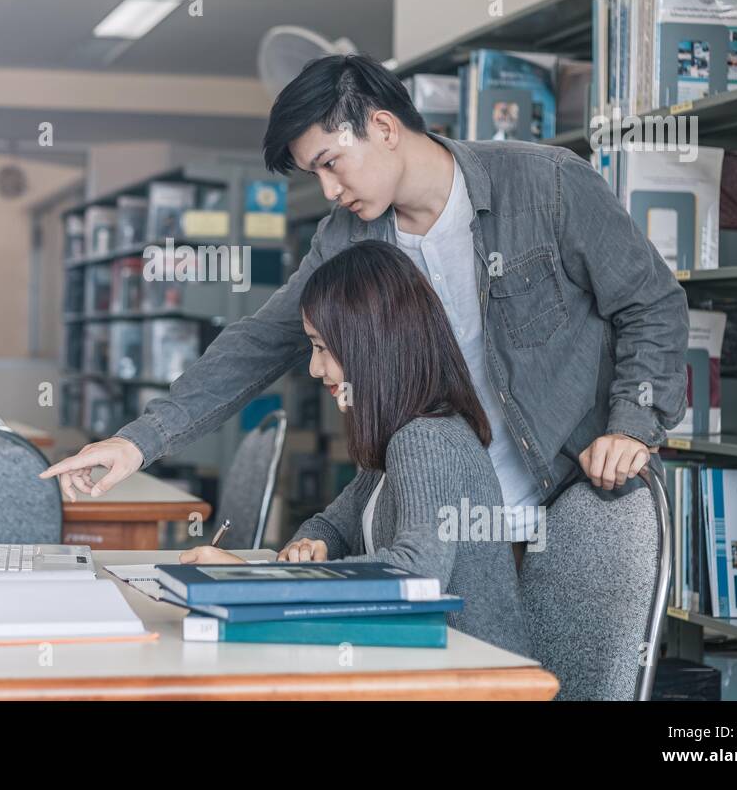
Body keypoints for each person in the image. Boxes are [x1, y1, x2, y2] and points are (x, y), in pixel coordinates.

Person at [43, 53, 688, 561]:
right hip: (439, 519)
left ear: (382, 127)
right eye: (313, 175)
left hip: (570, 508)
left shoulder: (546, 183)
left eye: (331, 163)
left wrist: (632, 422)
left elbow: (652, 304)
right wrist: (136, 444)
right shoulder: (346, 236)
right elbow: (262, 342)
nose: (328, 189)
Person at [178, 240, 530, 656]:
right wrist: (309, 547)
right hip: (419, 660)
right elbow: (331, 527)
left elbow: (418, 570)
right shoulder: (397, 437)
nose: (313, 368)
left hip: (470, 677)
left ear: (372, 344)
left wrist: (269, 579)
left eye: (322, 347)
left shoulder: (426, 438)